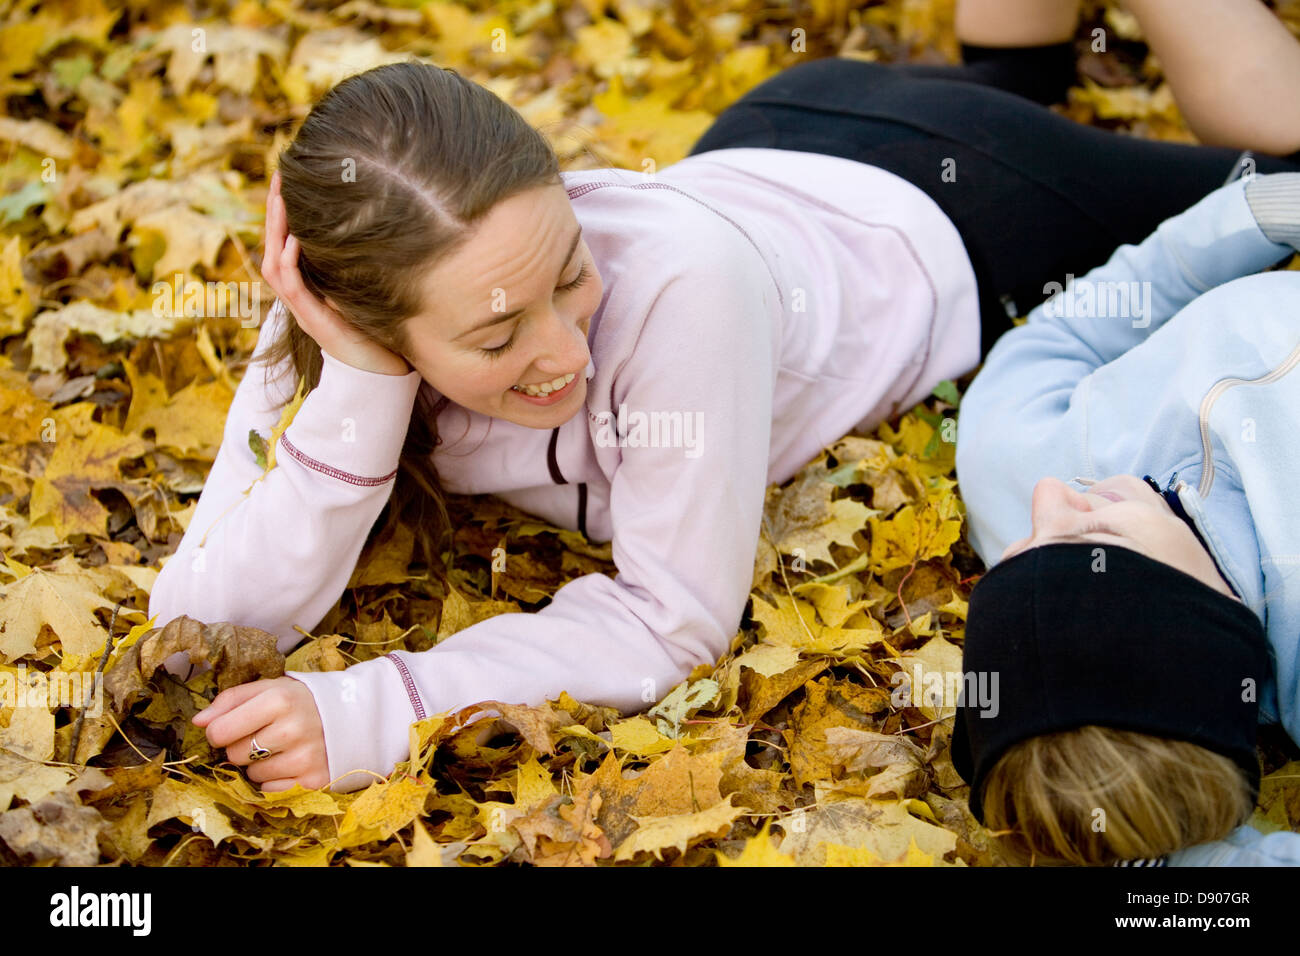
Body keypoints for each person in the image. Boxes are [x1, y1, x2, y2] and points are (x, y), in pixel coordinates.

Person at [150, 1, 1300, 794]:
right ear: (366, 314)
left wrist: (374, 707)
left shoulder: (677, 289)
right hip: (778, 142)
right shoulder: (342, 316)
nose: (565, 349)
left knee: (1280, 164)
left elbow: (672, 618)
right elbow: (206, 620)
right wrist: (358, 382)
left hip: (951, 204)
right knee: (1012, 77)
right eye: (498, 333)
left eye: (569, 272)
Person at [951, 170, 1300, 866]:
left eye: (1021, 547)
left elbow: (1062, 336)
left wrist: (1257, 215)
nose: (1054, 497)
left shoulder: (1013, 471)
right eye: (1094, 536)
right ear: (1205, 623)